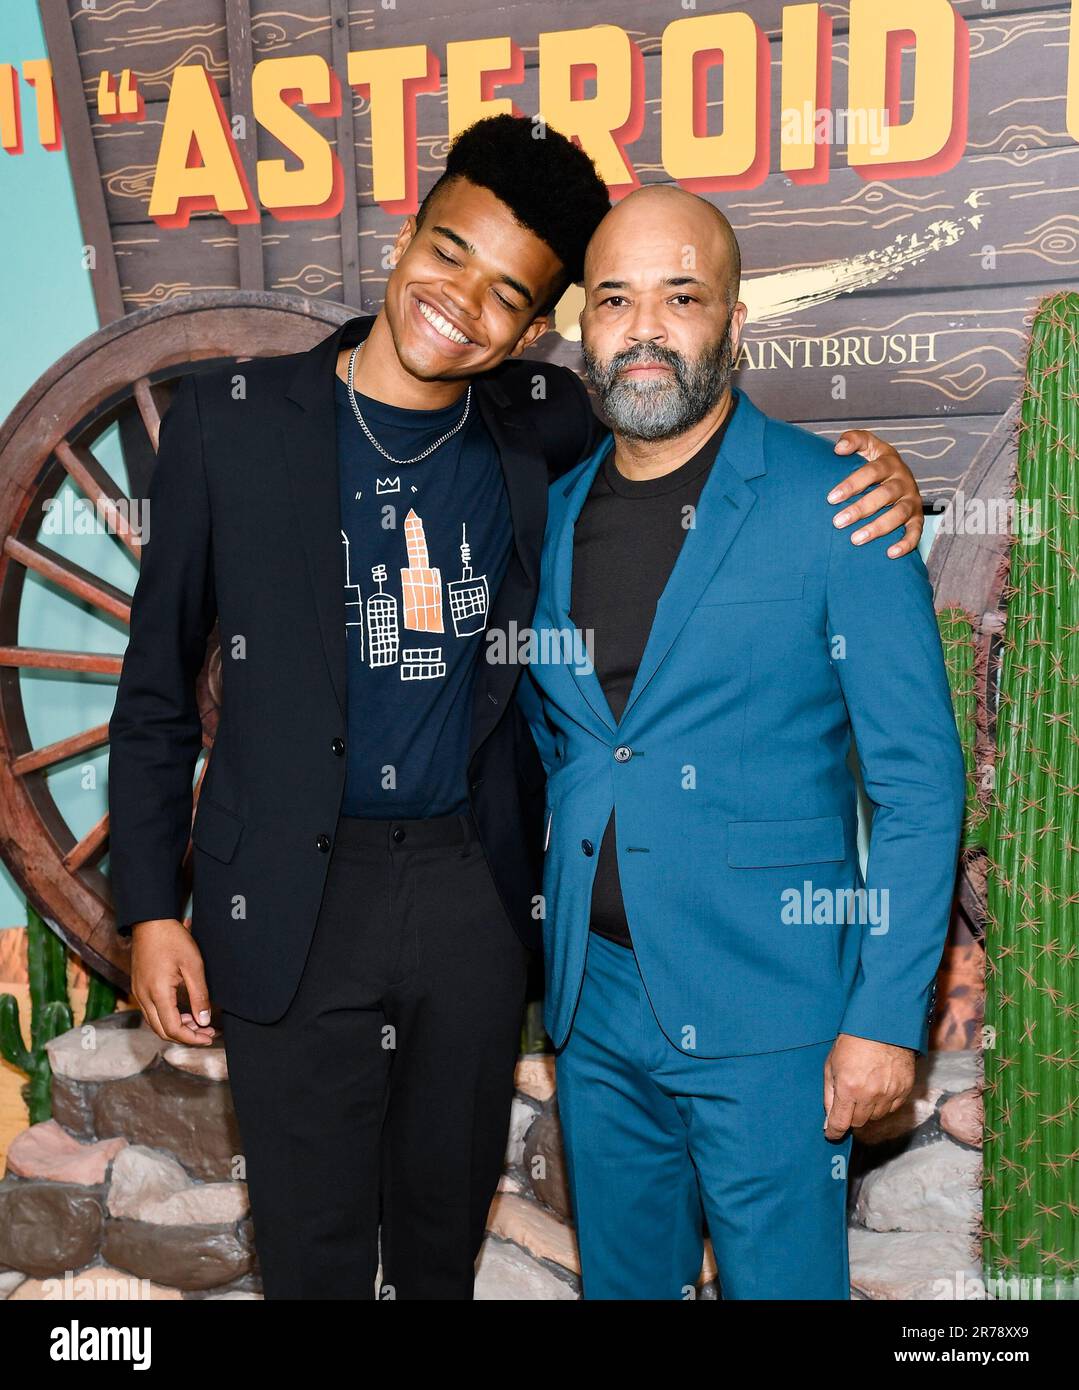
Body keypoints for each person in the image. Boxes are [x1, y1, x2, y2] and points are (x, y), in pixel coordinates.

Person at [108, 117, 928, 1300]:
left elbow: (695, 427)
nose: (462, 304)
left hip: (474, 902)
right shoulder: (228, 422)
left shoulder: (539, 425)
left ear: (537, 328)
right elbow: (153, 693)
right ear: (405, 237)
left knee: (440, 1244)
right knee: (309, 1252)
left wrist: (886, 481)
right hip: (289, 899)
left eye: (508, 294)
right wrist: (150, 905)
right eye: (449, 255)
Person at [518, 183, 966, 1300]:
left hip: (774, 1013)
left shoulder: (838, 504)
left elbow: (917, 785)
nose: (643, 328)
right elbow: (561, 748)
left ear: (733, 321)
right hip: (593, 1005)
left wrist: (883, 1018)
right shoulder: (548, 513)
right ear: (582, 325)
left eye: (680, 297)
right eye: (613, 299)